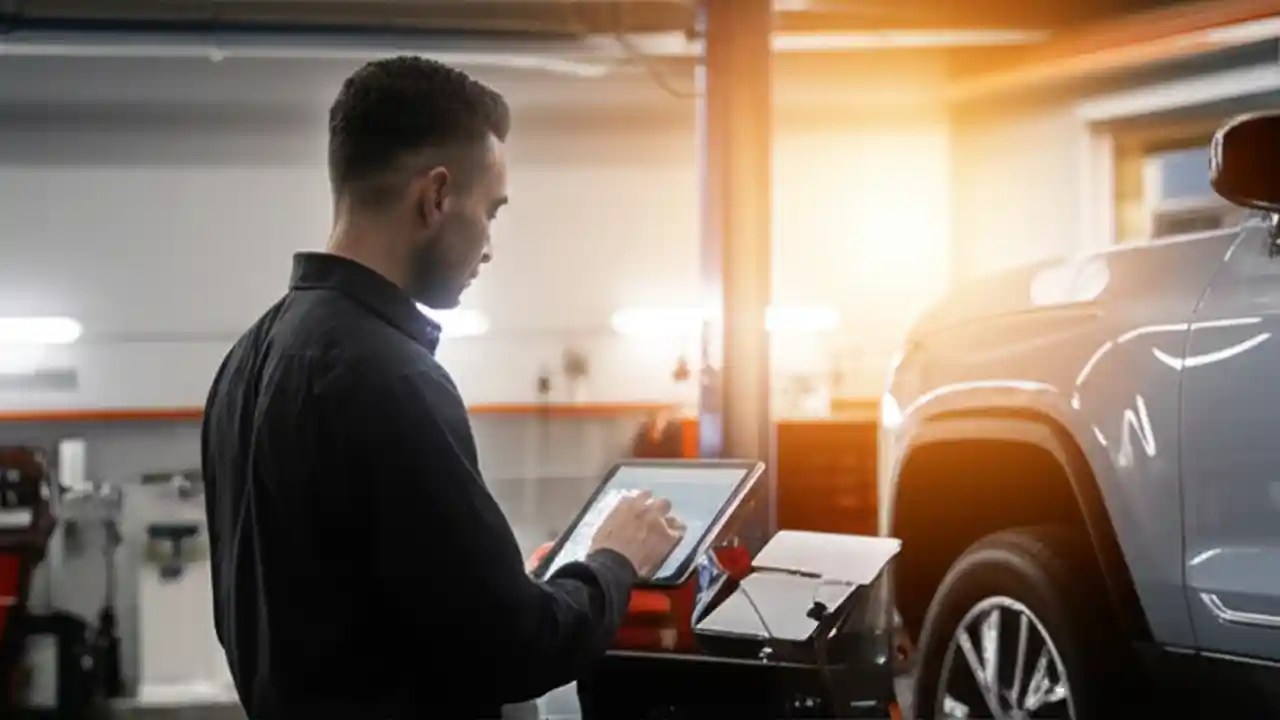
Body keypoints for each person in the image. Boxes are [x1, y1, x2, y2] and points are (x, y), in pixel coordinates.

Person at [200, 56, 685, 719]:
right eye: (490, 211)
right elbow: (517, 647)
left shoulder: (247, 359)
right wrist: (612, 560)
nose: (488, 246)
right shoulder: (390, 376)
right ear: (434, 197)